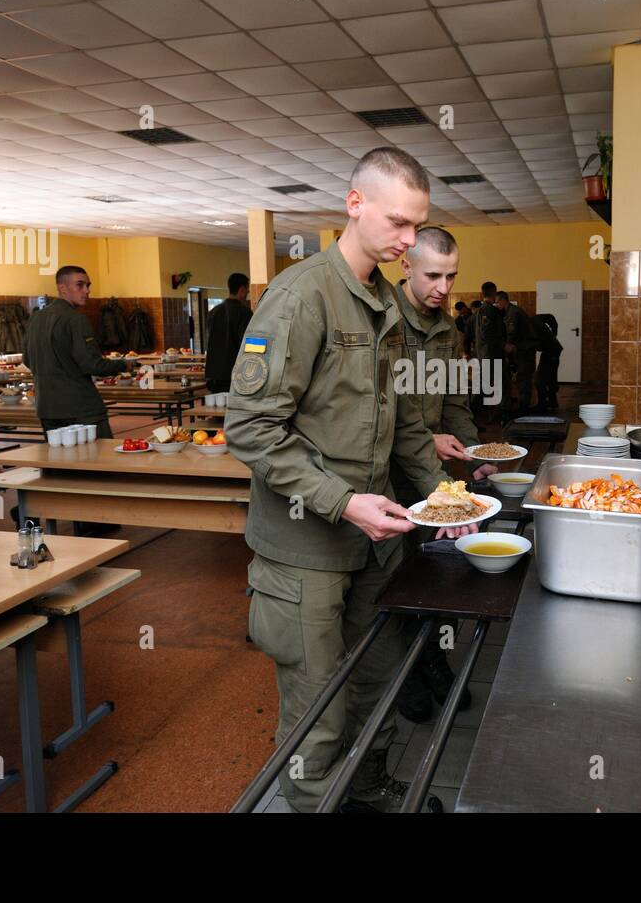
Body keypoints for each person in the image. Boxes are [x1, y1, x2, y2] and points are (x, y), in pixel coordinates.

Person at [223, 147, 476, 814]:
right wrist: (342, 501)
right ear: (354, 204)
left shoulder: (383, 303)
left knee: (377, 678)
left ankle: (364, 788)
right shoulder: (301, 295)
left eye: (417, 227)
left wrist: (446, 499)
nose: (408, 241)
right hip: (306, 548)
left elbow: (404, 424)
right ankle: (314, 800)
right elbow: (249, 430)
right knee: (317, 704)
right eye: (398, 224)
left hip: (371, 543)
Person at [388, 227, 495, 723]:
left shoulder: (448, 329)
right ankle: (404, 674)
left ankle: (433, 658)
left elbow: (454, 401)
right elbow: (381, 412)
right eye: (433, 274)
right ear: (405, 265)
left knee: (440, 569)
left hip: (434, 470)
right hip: (388, 473)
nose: (444, 287)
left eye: (452, 276)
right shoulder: (382, 320)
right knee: (397, 576)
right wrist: (427, 443)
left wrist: (475, 455)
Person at [23, 264, 127, 439]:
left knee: (58, 462)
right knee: (101, 460)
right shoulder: (75, 319)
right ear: (62, 288)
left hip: (47, 407)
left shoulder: (36, 318)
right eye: (80, 285)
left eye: (88, 285)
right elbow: (92, 364)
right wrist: (124, 365)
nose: (87, 291)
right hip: (81, 407)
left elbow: (27, 360)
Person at [204, 272, 252, 394]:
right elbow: (247, 343)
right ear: (241, 289)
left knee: (218, 408)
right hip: (234, 373)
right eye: (247, 289)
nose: (248, 293)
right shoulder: (244, 313)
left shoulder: (214, 311)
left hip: (213, 373)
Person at [496, 290, 537, 417]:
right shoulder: (511, 311)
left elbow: (511, 335)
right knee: (522, 379)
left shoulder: (512, 313)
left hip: (524, 351)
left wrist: (505, 345)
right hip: (523, 350)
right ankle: (523, 406)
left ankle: (524, 408)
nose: (497, 305)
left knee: (523, 379)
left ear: (504, 300)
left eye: (497, 302)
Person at [473, 282, 507, 423]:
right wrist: (502, 346)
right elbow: (487, 333)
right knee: (492, 385)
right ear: (494, 293)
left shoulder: (481, 310)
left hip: (485, 353)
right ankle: (490, 414)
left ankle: (477, 413)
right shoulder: (488, 310)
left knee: (485, 384)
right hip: (491, 354)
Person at [533, 313, 563, 413]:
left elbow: (535, 344)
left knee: (539, 379)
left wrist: (553, 335)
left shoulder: (531, 325)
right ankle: (552, 401)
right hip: (553, 350)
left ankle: (542, 404)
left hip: (551, 350)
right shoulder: (535, 319)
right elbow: (551, 317)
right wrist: (554, 333)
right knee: (551, 377)